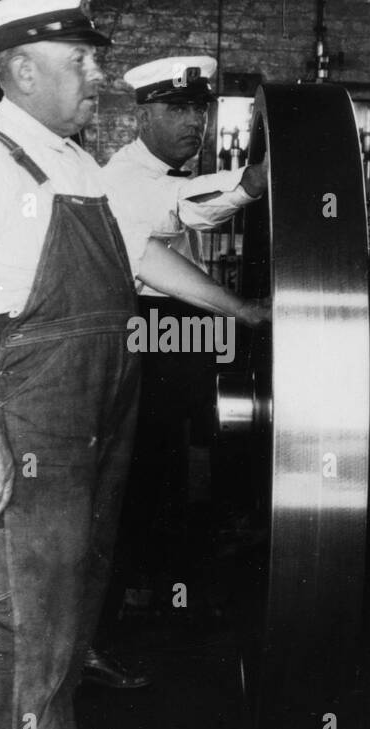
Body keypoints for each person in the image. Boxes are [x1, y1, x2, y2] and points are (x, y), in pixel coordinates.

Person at [0, 0, 265, 729]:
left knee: (54, 604)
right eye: (80, 62)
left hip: (94, 407)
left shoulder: (72, 162)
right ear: (22, 71)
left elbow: (139, 254)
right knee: (26, 609)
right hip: (28, 407)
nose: (97, 77)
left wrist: (242, 312)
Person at [101, 57, 267, 606]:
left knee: (171, 461)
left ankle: (167, 585)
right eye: (177, 109)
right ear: (142, 117)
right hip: (147, 331)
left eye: (199, 109)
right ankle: (136, 596)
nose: (194, 121)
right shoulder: (125, 178)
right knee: (147, 466)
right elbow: (184, 211)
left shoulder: (165, 174)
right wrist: (251, 183)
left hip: (175, 326)